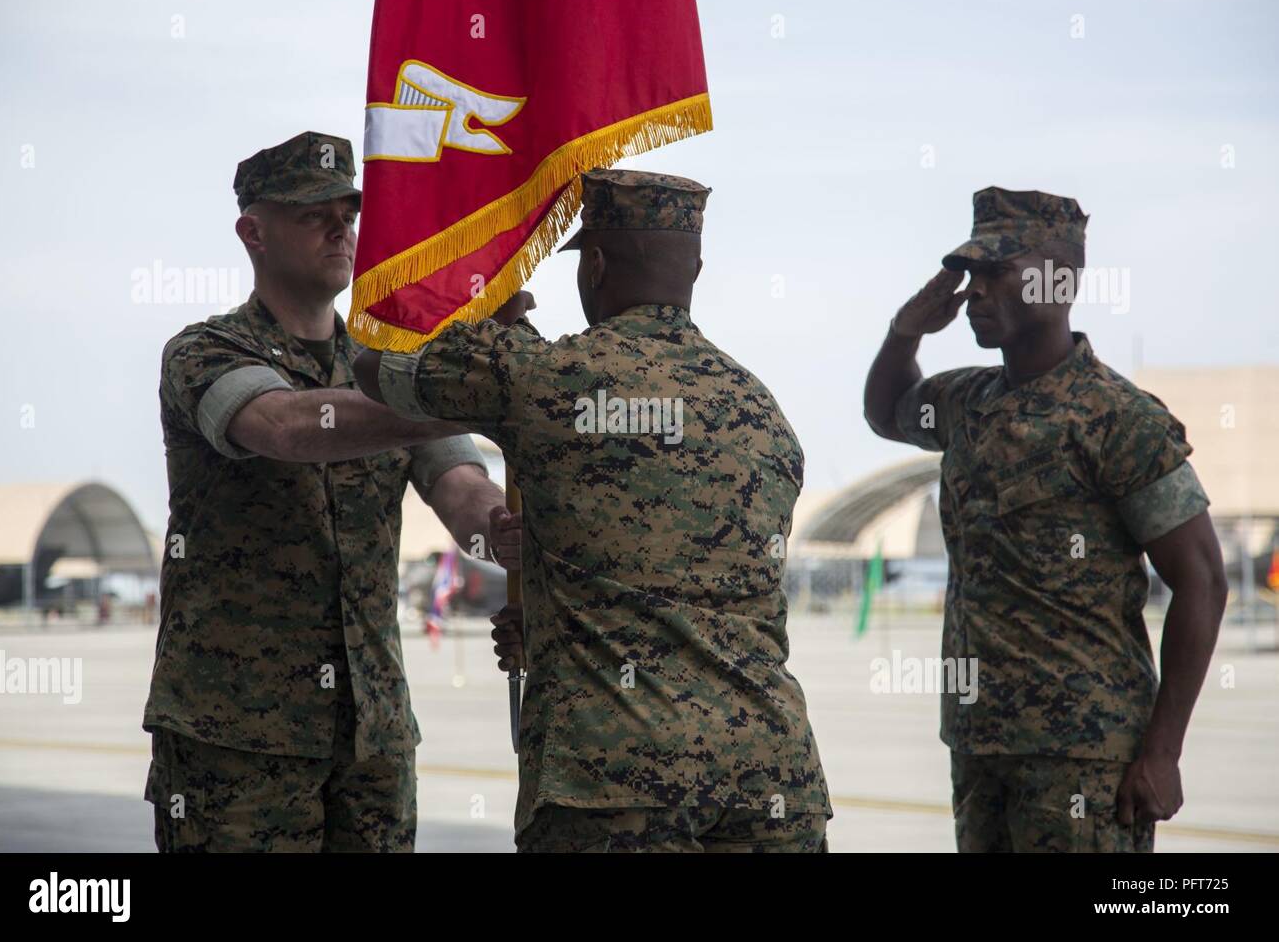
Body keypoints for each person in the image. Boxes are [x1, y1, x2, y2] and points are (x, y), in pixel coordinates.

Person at [355, 168, 832, 852]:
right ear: (695, 266)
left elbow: (378, 362)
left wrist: (487, 313)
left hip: (612, 783)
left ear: (596, 263)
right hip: (772, 775)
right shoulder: (761, 410)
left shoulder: (539, 375)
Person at [143, 131, 520, 852]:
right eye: (315, 213)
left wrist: (501, 532)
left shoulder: (394, 372)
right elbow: (287, 427)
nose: (341, 229)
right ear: (252, 232)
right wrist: (478, 396)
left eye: (349, 213)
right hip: (238, 737)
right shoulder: (206, 351)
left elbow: (462, 489)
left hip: (371, 735)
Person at [863, 186, 1228, 852]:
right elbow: (888, 412)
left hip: (1084, 759)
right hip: (980, 747)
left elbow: (1202, 578)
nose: (975, 291)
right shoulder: (966, 400)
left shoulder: (1119, 418)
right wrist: (904, 330)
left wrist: (1164, 751)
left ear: (1059, 281)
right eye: (971, 275)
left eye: (997, 271)